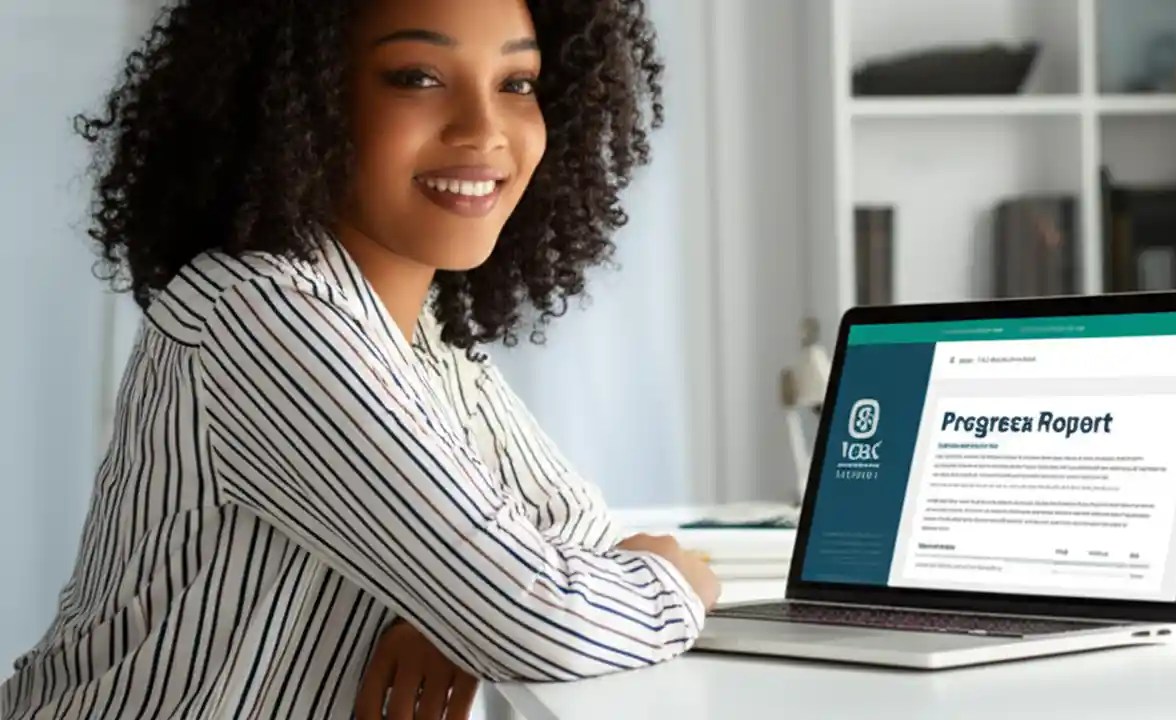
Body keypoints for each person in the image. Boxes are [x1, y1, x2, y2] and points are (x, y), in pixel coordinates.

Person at [0, 0, 720, 717]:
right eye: (417, 77)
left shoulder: (419, 337)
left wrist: (460, 616)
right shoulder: (264, 316)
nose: (483, 127)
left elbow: (571, 539)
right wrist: (660, 584)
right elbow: (543, 619)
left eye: (517, 83)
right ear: (302, 104)